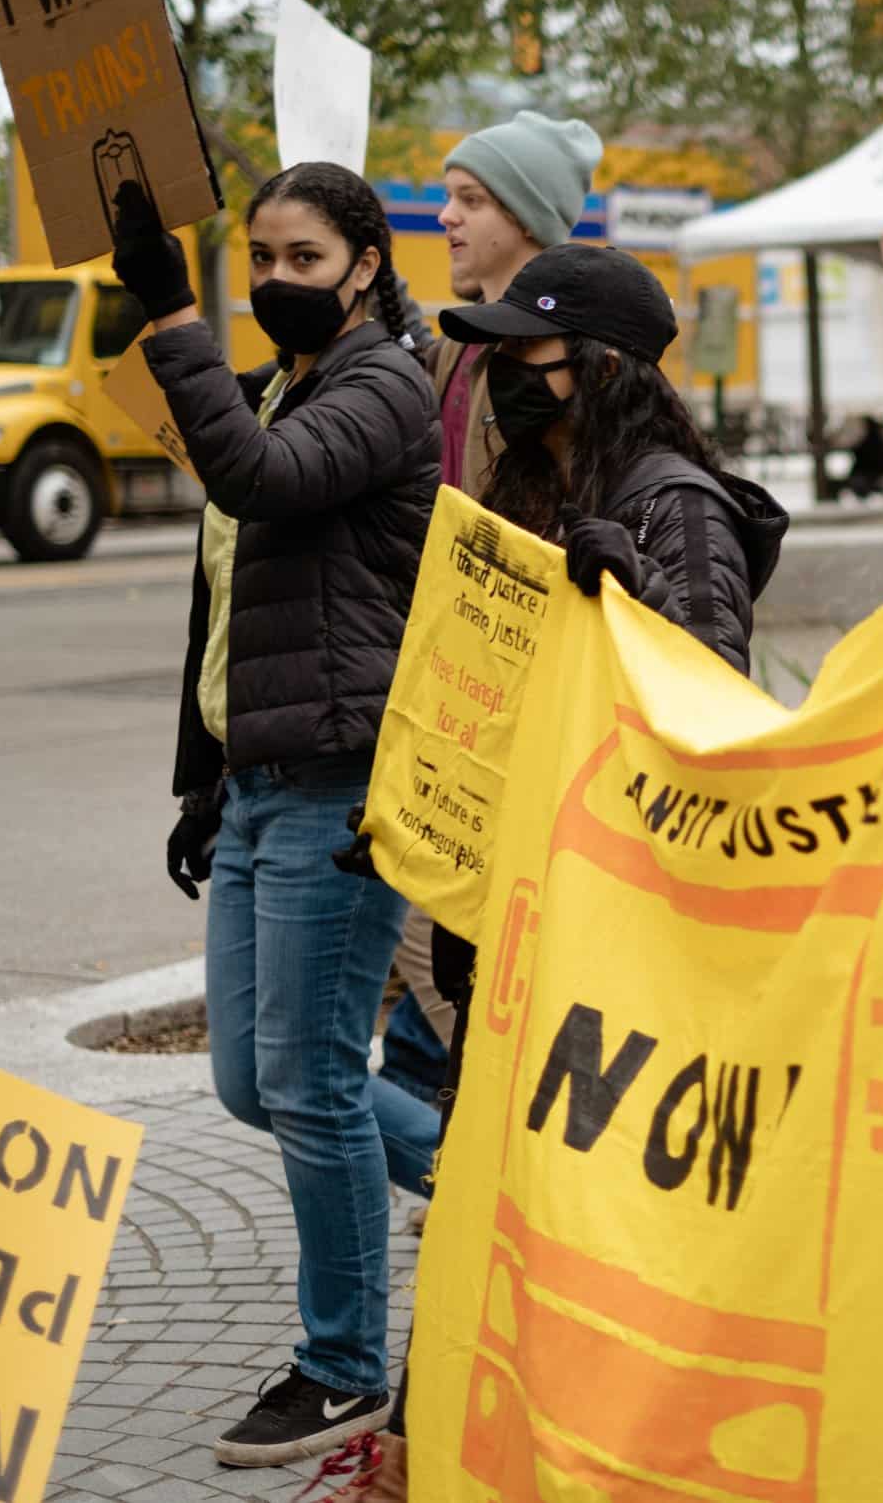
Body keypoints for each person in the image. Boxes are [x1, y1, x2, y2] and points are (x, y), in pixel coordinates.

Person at [308, 241, 788, 1501]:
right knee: (482, 1200)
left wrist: (633, 605)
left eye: (523, 350)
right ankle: (433, 1450)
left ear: (601, 365)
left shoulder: (672, 504)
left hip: (618, 948)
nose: (499, 370)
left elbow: (715, 726)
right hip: (525, 918)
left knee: (556, 1216)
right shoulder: (533, 494)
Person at [110, 163, 441, 1467]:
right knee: (259, 1078)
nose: (274, 281)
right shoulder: (282, 385)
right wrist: (202, 766)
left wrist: (171, 314)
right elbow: (229, 593)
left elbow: (250, 480)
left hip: (342, 787)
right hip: (258, 784)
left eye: (303, 258)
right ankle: (479, 1160)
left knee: (307, 1078)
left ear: (364, 264)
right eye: (259, 258)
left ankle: (345, 1364)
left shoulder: (383, 388)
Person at [391, 112, 606, 1074]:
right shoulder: (456, 351)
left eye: (471, 200)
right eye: (448, 196)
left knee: (455, 962)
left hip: (513, 707)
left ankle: (490, 1131)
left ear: (529, 217)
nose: (446, 217)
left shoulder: (572, 360)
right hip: (450, 687)